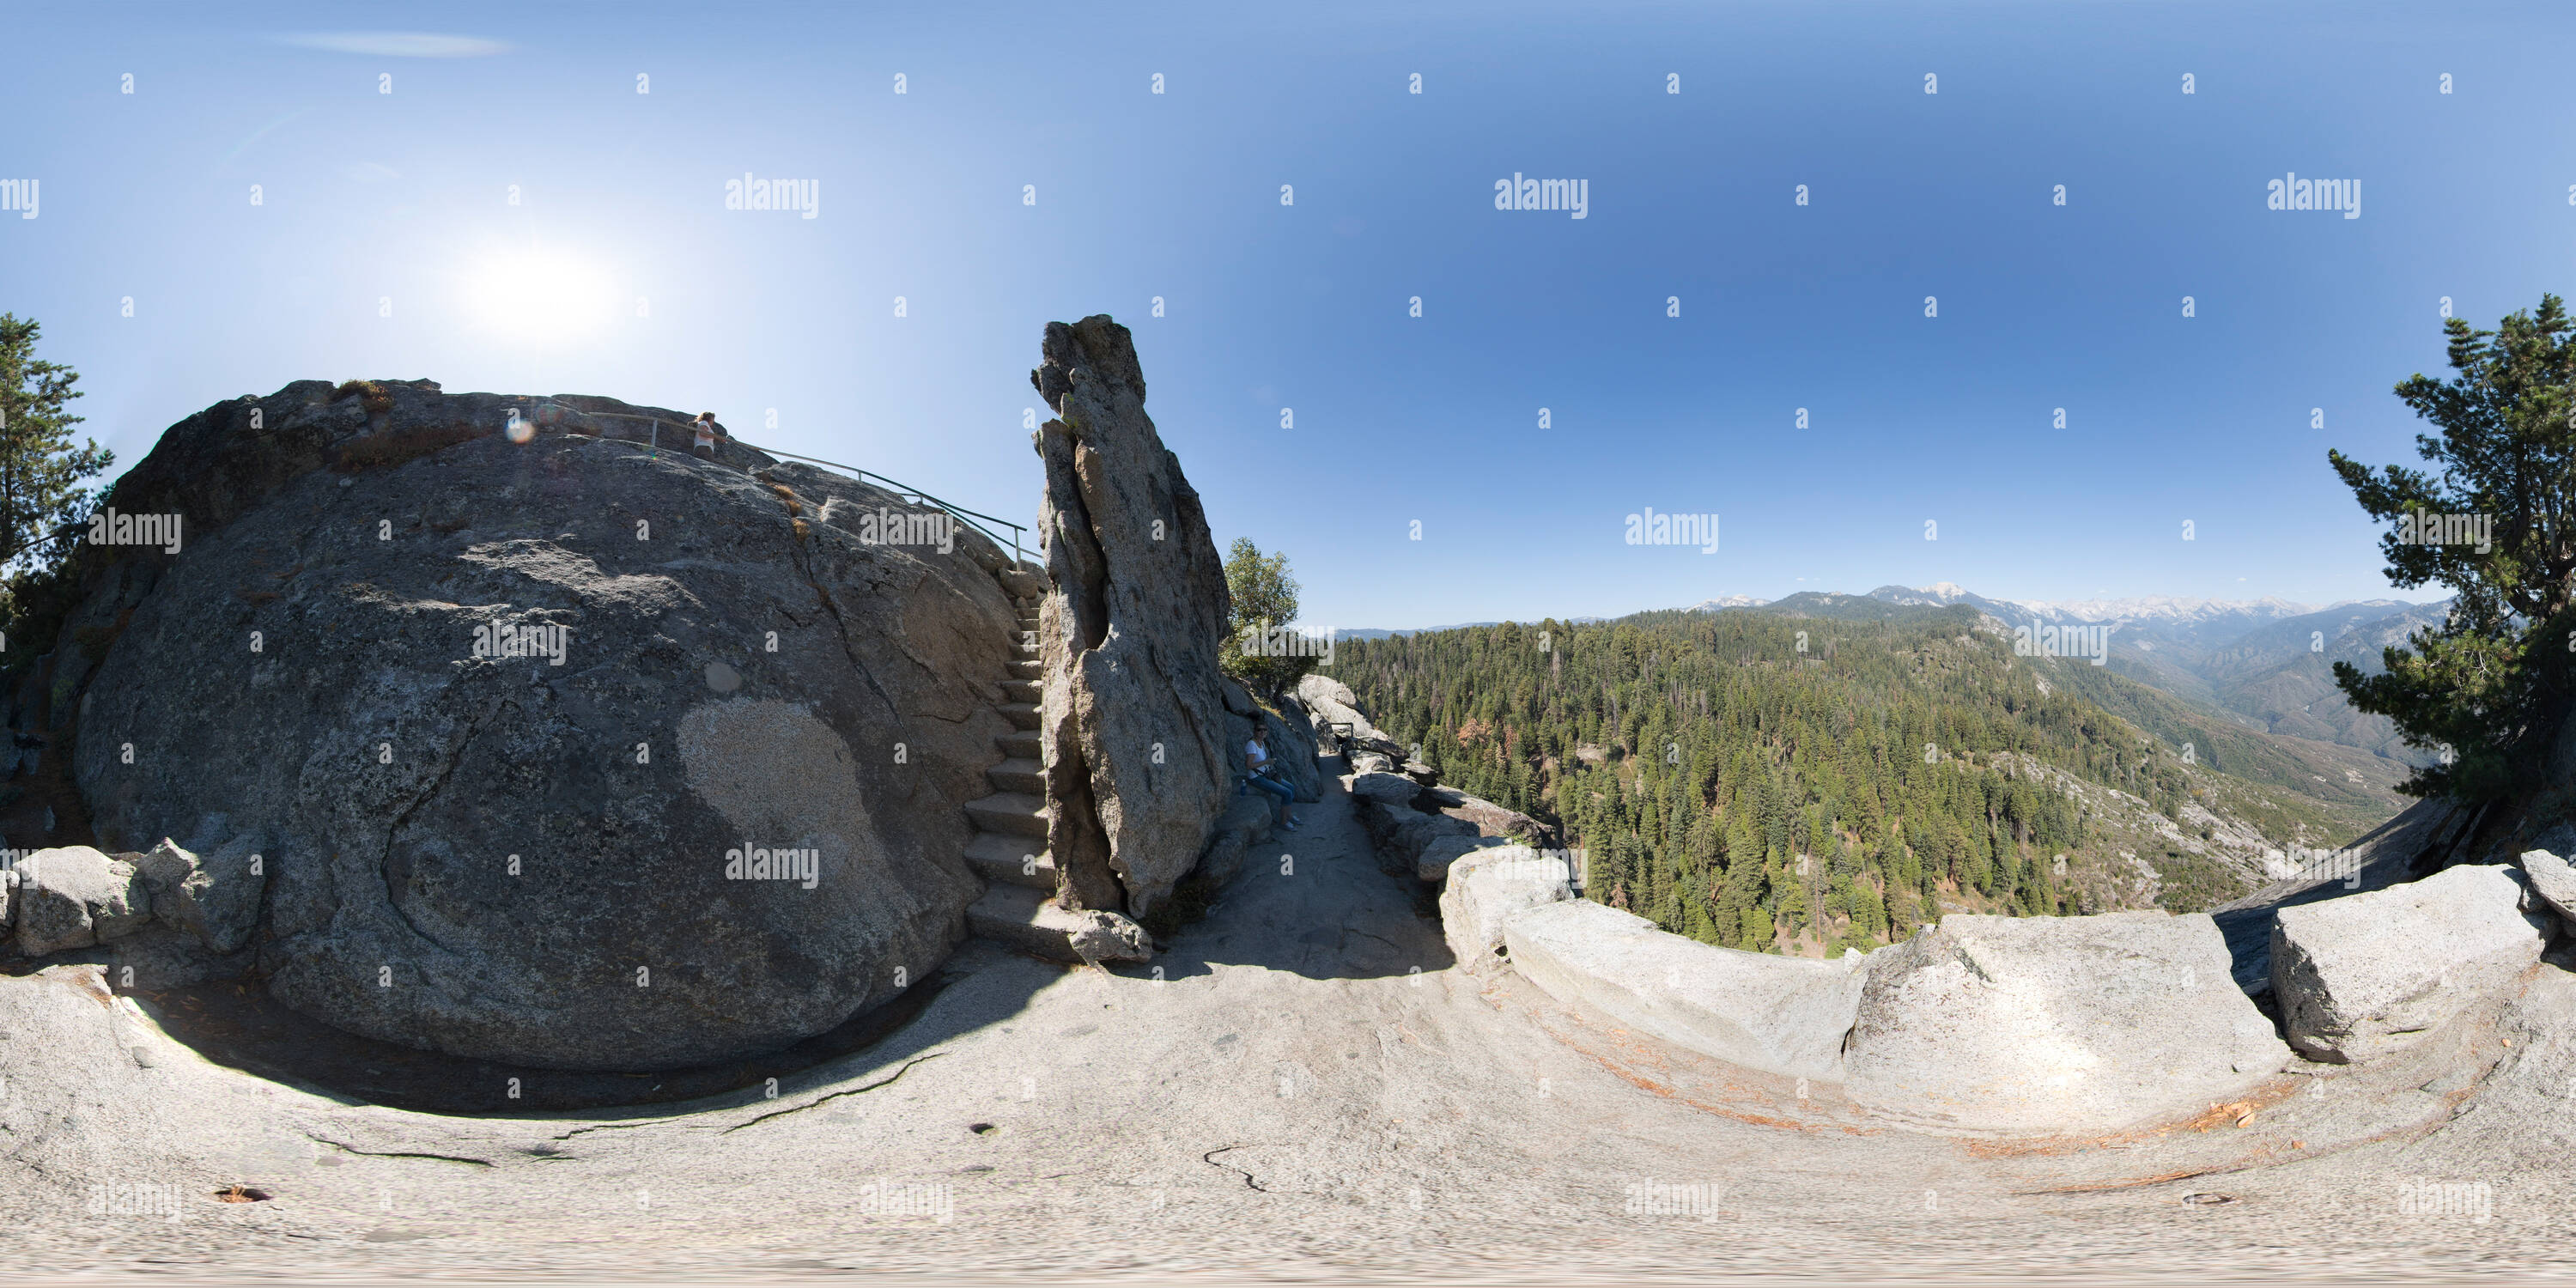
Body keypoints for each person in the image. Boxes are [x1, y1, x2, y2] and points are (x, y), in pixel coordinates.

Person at [1244, 723, 1299, 831]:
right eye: (1259, 730)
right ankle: (1283, 822)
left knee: (1291, 787)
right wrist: (1267, 761)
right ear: (1254, 731)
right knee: (1287, 793)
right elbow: (1248, 765)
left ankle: (1289, 815)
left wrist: (1269, 763)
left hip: (1266, 774)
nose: (1262, 732)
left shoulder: (1261, 743)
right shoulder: (1252, 744)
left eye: (1265, 730)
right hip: (1256, 778)